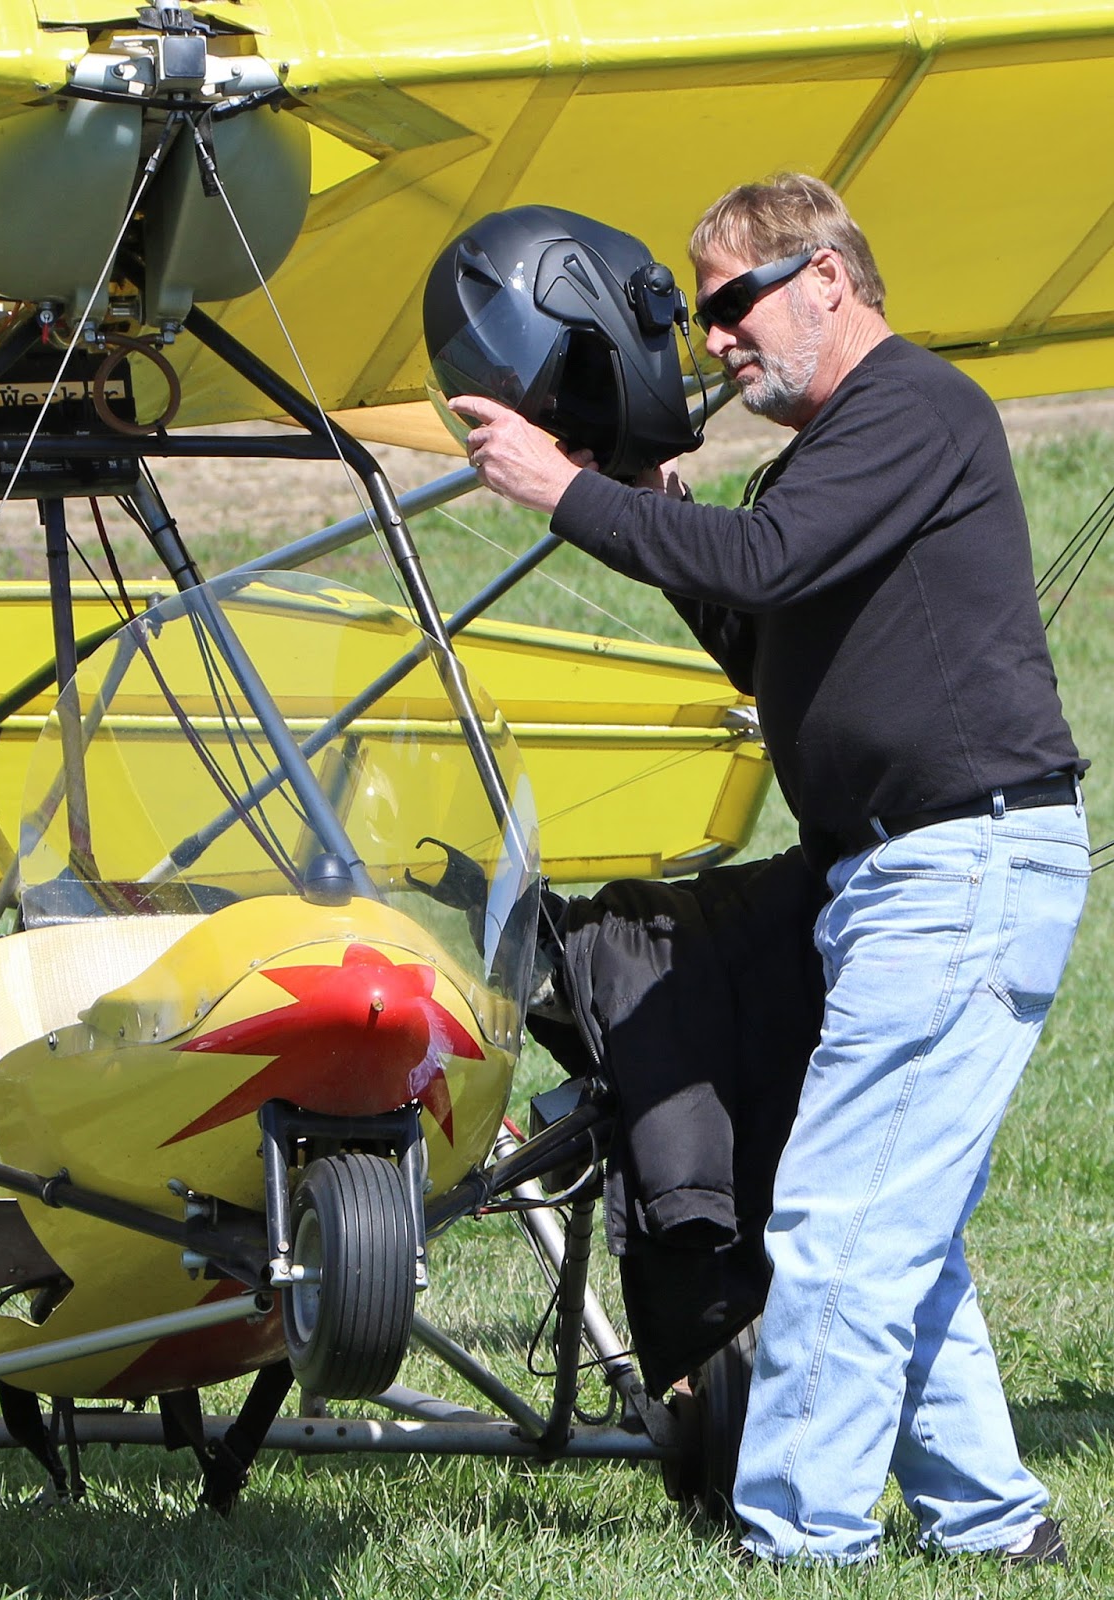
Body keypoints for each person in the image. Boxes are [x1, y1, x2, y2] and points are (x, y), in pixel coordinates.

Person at [448, 173, 1089, 1566]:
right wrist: (643, 500)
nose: (715, 335)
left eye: (733, 299)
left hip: (956, 864)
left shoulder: (912, 408)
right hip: (898, 873)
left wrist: (565, 495)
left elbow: (774, 562)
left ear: (831, 280)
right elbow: (763, 628)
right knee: (896, 1222)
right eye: (699, 310)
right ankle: (996, 1525)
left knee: (839, 1218)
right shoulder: (823, 461)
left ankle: (797, 1539)